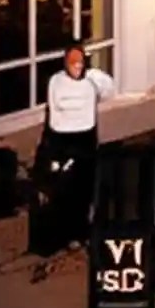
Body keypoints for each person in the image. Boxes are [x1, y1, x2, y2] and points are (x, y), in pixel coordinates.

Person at [29, 41, 116, 255]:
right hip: (62, 138)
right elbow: (54, 113)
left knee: (83, 189)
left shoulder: (93, 80)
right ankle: (59, 235)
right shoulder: (56, 82)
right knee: (61, 188)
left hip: (84, 138)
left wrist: (93, 76)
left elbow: (109, 91)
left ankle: (80, 232)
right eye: (72, 62)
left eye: (80, 61)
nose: (76, 66)